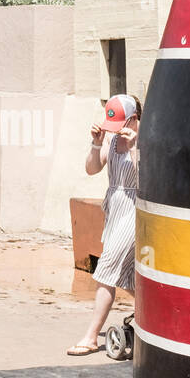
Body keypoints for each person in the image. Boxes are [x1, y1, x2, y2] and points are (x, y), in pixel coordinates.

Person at [69, 94, 141, 356]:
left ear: (133, 119)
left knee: (106, 267)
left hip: (134, 209)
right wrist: (96, 143)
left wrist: (135, 148)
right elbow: (91, 169)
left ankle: (90, 337)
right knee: (125, 275)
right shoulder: (111, 138)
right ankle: (158, 313)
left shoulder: (145, 138)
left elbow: (148, 177)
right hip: (114, 207)